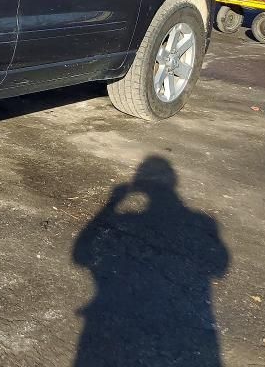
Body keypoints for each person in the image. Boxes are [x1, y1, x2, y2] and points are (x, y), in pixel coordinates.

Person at [73, 156, 229, 366]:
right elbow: (219, 265)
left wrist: (112, 203)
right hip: (177, 326)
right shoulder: (202, 222)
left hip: (112, 322)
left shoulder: (127, 220)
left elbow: (81, 255)